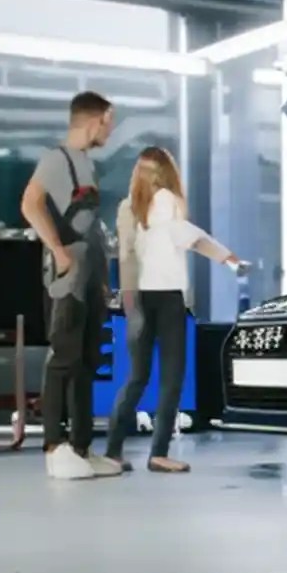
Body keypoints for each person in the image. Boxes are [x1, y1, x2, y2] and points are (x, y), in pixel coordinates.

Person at [106, 146, 244, 473]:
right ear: (167, 173)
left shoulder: (127, 208)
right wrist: (228, 257)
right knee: (171, 378)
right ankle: (158, 453)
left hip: (138, 297)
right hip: (167, 298)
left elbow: (124, 257)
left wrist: (128, 302)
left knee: (136, 377)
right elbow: (192, 239)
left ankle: (112, 451)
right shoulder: (169, 201)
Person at [20, 91, 122, 480]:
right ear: (99, 118)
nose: (110, 131)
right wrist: (58, 250)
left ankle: (81, 447)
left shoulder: (85, 163)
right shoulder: (55, 159)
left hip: (90, 276)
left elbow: (89, 224)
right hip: (68, 278)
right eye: (110, 123)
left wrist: (102, 280)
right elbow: (30, 204)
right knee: (63, 359)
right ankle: (53, 447)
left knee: (86, 361)